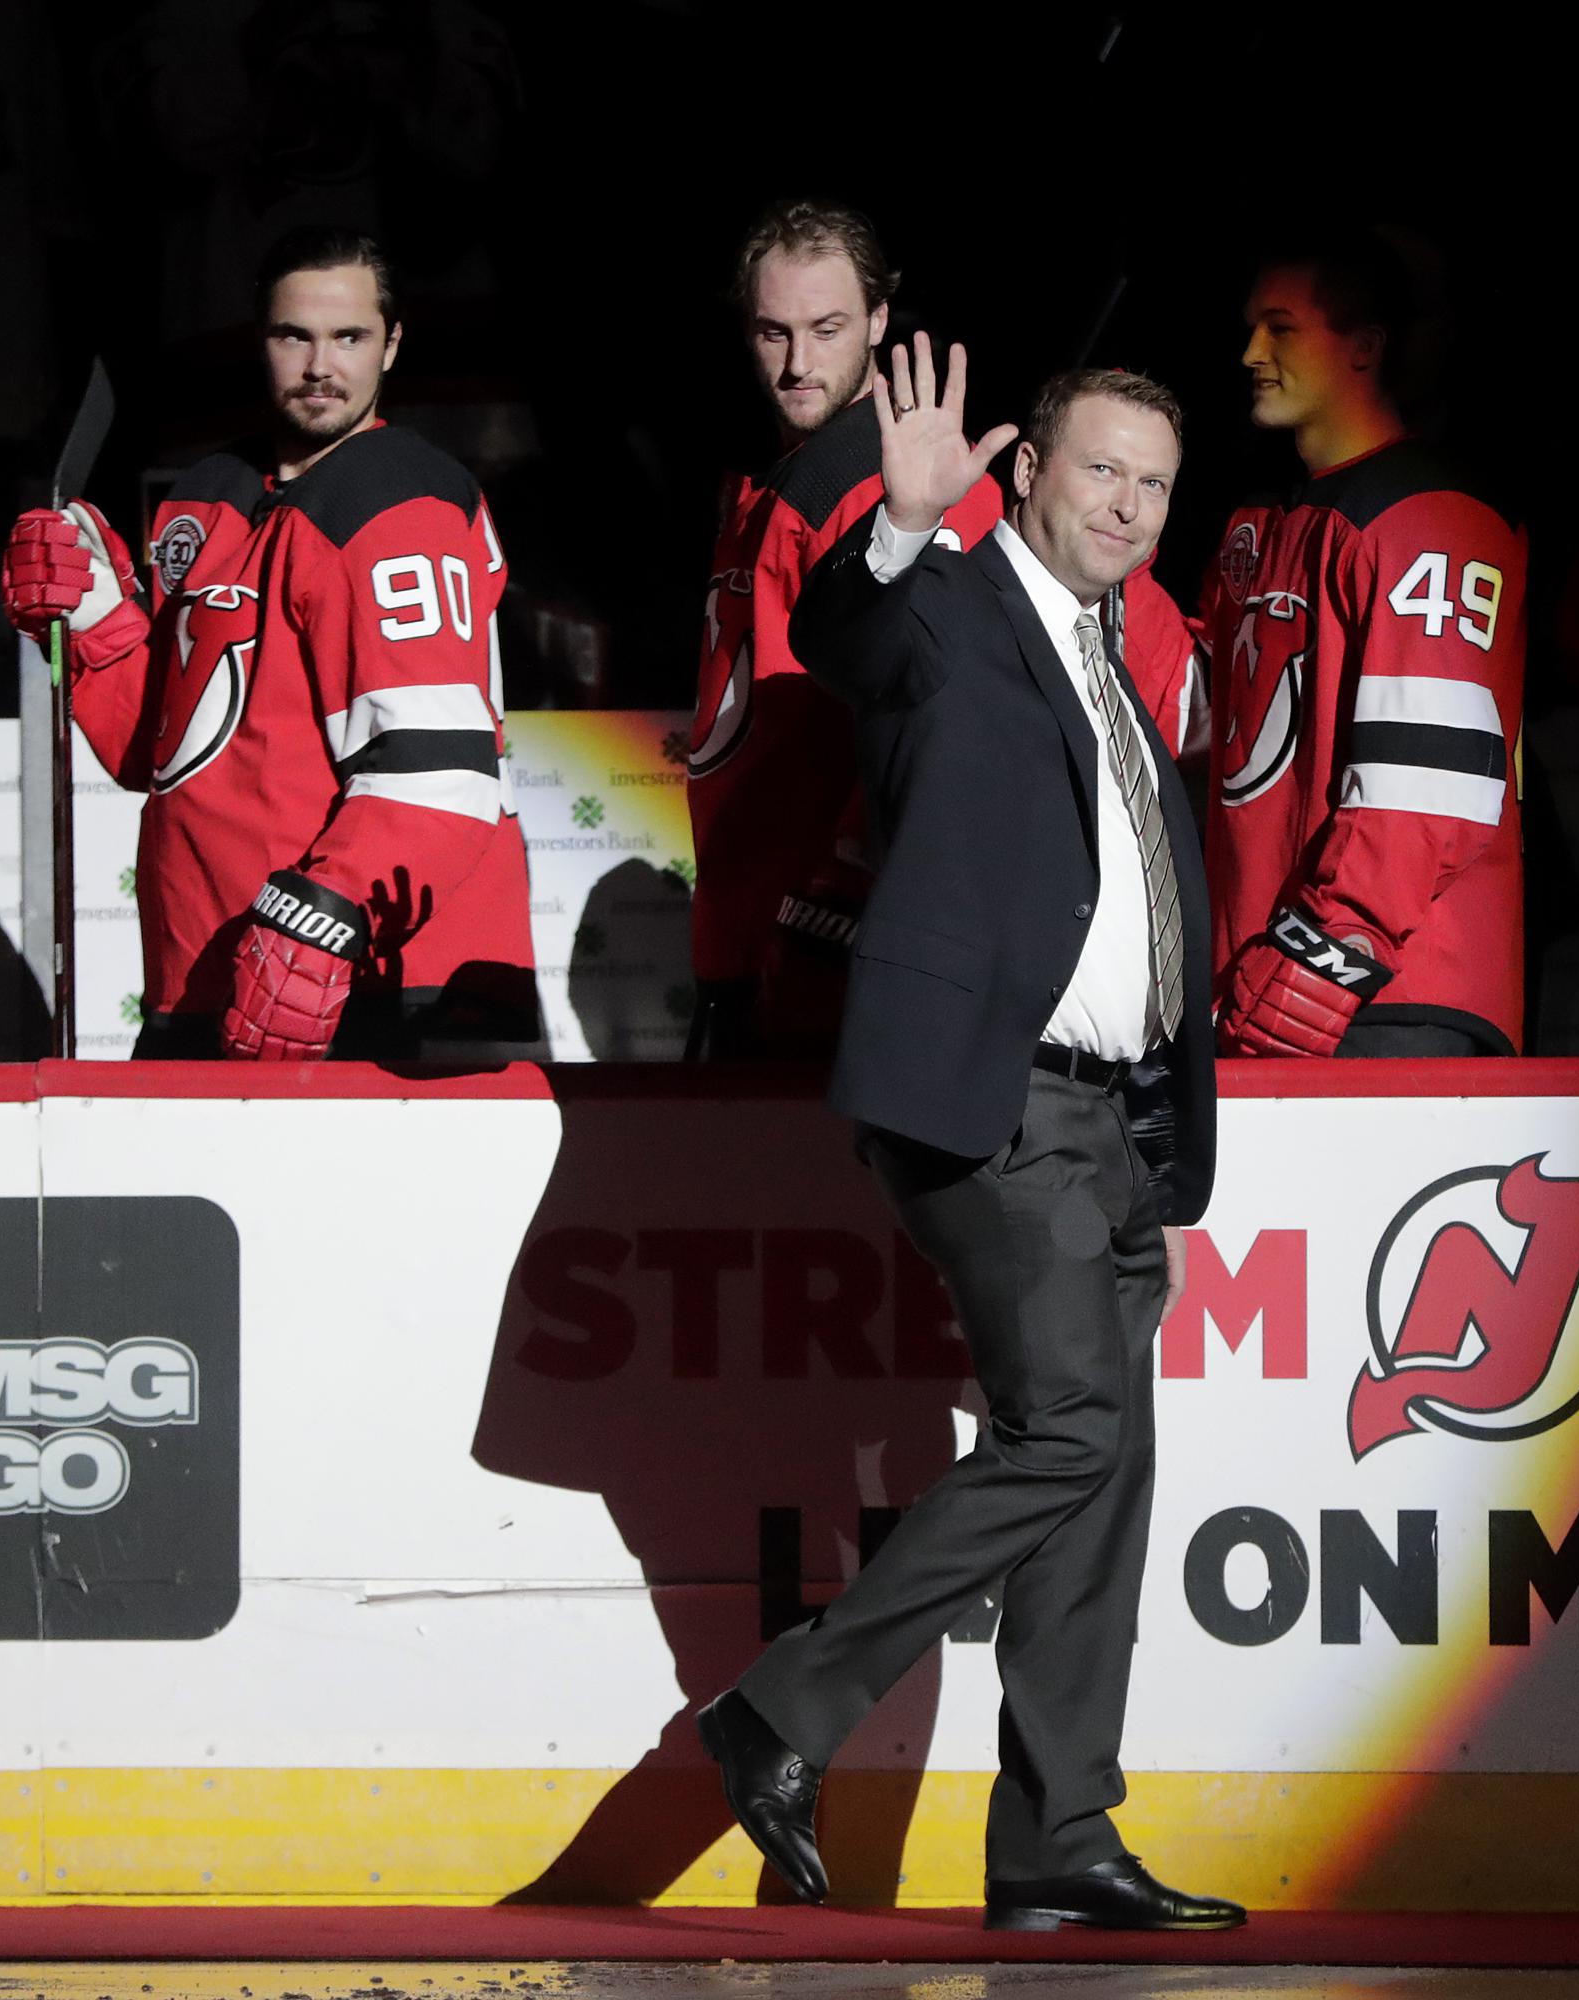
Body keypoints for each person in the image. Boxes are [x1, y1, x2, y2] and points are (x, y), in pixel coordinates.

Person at [697, 338, 1240, 1935]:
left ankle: (1059, 1834)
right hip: (995, 1101)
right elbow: (842, 636)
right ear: (1028, 475)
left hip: (1113, 1117)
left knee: (1103, 1465)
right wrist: (897, 523)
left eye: (1154, 484)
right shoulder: (950, 603)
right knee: (1069, 1433)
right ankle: (782, 1711)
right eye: (1101, 471)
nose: (1130, 506)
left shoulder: (1107, 649)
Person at [3, 226, 534, 1060]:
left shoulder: (396, 498)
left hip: (363, 984)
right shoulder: (206, 495)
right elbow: (161, 754)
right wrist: (91, 623)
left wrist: (325, 916)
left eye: (349, 337)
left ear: (392, 345)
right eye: (295, 336)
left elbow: (437, 776)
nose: (321, 365)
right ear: (260, 341)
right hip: (201, 967)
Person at [680, 199, 1005, 1059]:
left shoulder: (886, 479)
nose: (797, 363)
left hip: (838, 943)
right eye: (773, 332)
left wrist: (842, 894)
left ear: (880, 321)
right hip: (752, 927)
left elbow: (954, 712)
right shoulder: (776, 479)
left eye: (826, 329)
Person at [1193, 233, 1527, 1057]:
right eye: (1251, 328)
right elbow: (1192, 714)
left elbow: (1433, 778)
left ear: (1365, 347)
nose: (1250, 353)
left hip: (1396, 996)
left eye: (1282, 328)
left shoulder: (1432, 513)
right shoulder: (1258, 522)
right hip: (1258, 989)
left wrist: (1331, 952)